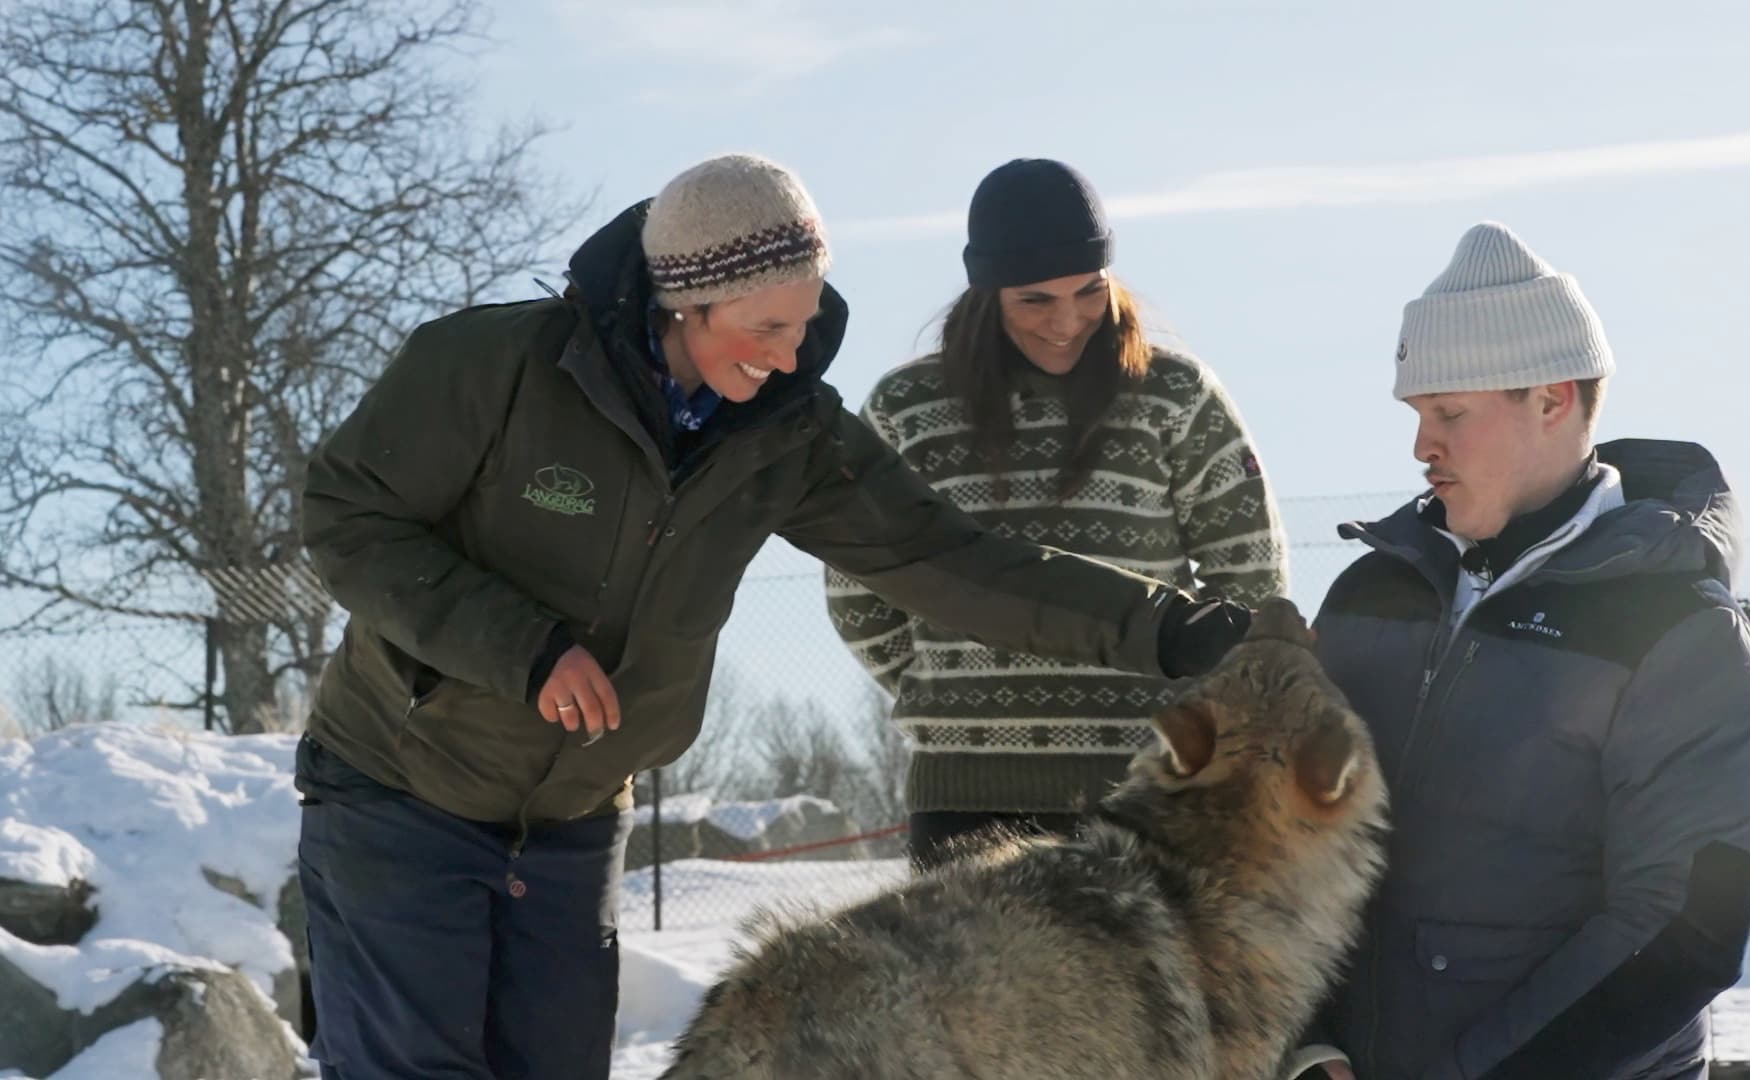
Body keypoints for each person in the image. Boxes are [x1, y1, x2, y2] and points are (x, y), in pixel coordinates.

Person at [295, 153, 1249, 1080]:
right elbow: (349, 516)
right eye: (765, 326)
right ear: (685, 303)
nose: (790, 353)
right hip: (401, 787)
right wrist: (525, 649)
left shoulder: (786, 429)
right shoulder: (496, 365)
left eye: (805, 324)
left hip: (573, 813)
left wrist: (1161, 624)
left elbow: (944, 558)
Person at [1289, 222, 1750, 1080]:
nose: (1420, 447)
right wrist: (1307, 1045)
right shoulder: (1370, 598)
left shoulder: (1674, 626)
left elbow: (1687, 926)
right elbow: (1277, 845)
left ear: (1552, 400)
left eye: (1449, 414)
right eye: (1416, 415)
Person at [825, 158, 1287, 868]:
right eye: (1034, 300)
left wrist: (1198, 714)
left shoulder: (1174, 395)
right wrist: (944, 692)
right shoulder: (906, 410)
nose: (1067, 322)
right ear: (986, 293)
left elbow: (1249, 573)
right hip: (966, 800)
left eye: (1089, 292)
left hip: (1151, 790)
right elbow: (859, 582)